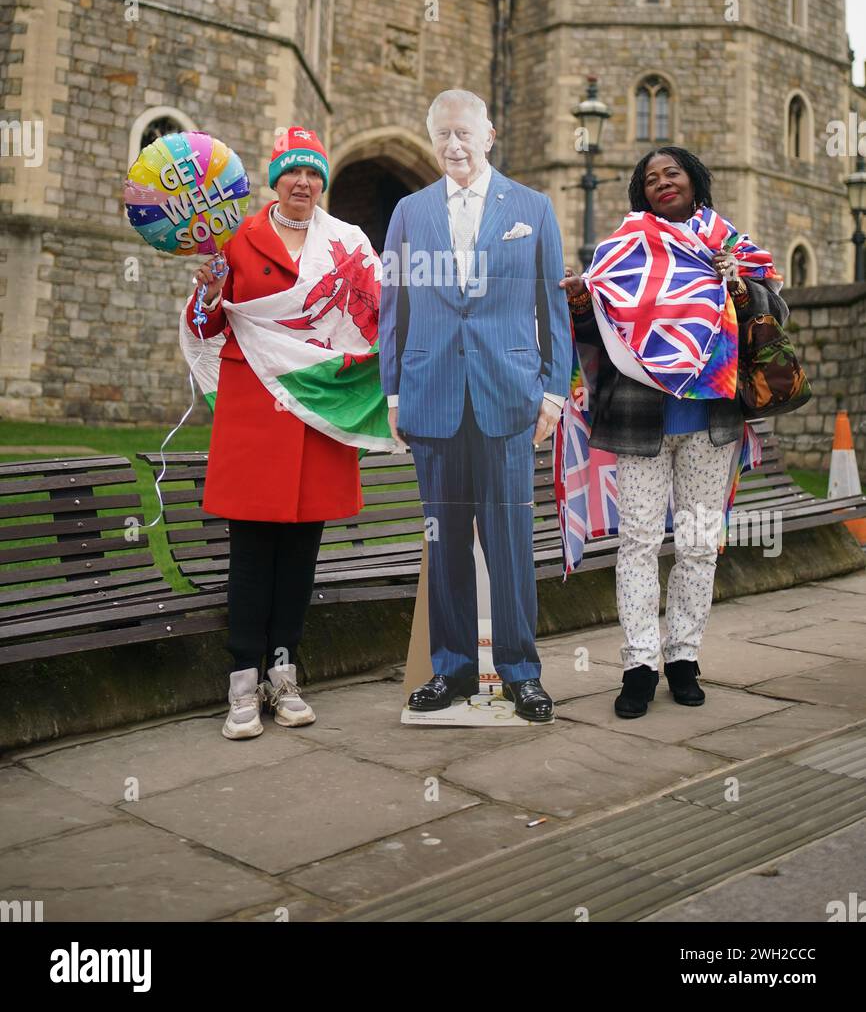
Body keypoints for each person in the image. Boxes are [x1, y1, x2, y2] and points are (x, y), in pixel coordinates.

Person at [561, 147, 788, 719]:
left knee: (695, 545)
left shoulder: (728, 244)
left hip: (712, 420)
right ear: (642, 192)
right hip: (642, 418)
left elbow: (773, 313)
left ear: (694, 182)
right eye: (651, 178)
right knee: (637, 543)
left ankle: (684, 658)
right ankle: (639, 665)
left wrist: (737, 289)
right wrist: (582, 302)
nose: (663, 183)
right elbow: (601, 329)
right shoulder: (623, 248)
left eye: (673, 173)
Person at [184, 128, 384, 739]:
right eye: (293, 172)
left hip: (321, 415)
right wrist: (210, 291)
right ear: (275, 179)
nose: (303, 182)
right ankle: (242, 682)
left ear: (323, 182)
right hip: (258, 407)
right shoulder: (235, 238)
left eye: (313, 174)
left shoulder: (348, 243)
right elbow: (204, 324)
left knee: (301, 551)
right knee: (251, 550)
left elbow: (375, 314)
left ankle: (284, 671)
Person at [379, 90, 573, 722]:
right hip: (432, 397)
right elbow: (395, 308)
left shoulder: (533, 208)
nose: (453, 146)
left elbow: (554, 308)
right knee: (445, 543)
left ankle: (522, 673)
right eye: (442, 137)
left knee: (512, 540)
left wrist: (551, 392)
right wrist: (394, 392)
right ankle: (453, 671)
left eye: (463, 133)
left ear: (489, 134)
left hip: (509, 396)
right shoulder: (409, 212)